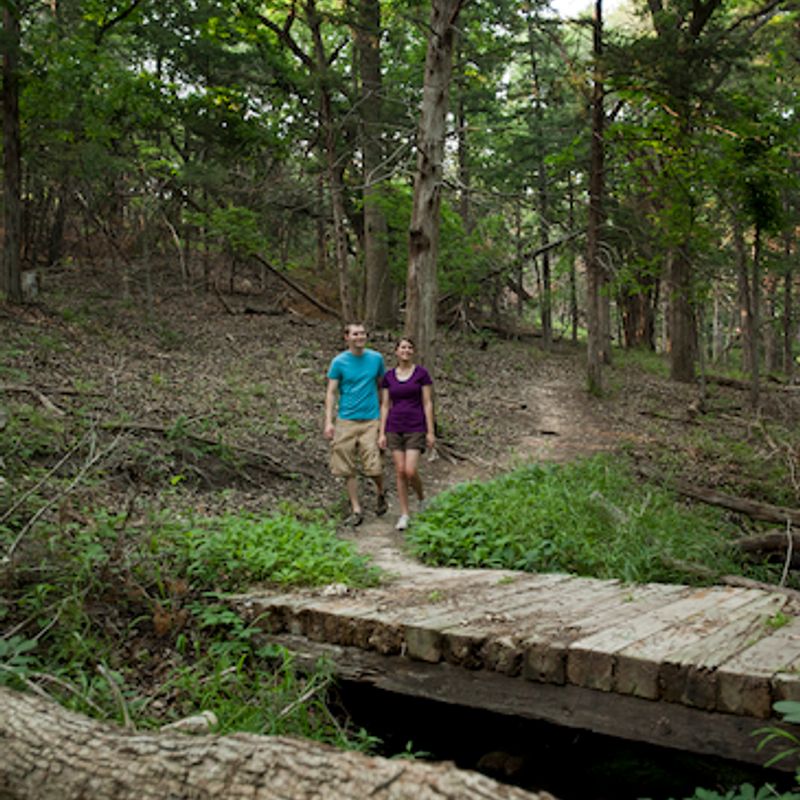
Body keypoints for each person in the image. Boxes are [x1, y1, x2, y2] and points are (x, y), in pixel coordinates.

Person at [324, 322, 388, 526]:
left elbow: (382, 387)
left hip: (371, 419)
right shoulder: (339, 362)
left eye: (362, 333)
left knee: (373, 467)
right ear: (347, 337)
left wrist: (385, 415)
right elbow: (331, 392)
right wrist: (329, 421)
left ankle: (381, 491)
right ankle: (356, 509)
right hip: (346, 420)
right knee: (346, 467)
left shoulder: (376, 359)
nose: (360, 337)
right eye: (355, 334)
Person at [378, 337, 435, 531]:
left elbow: (427, 403)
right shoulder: (389, 376)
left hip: (416, 426)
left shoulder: (421, 374)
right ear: (396, 351)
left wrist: (430, 431)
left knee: (410, 470)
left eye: (410, 347)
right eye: (403, 347)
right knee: (400, 471)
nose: (406, 350)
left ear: (413, 352)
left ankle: (421, 498)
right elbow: (385, 405)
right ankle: (404, 513)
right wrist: (382, 433)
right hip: (394, 427)